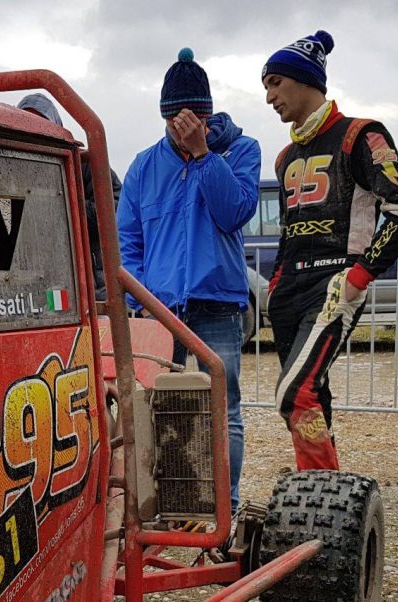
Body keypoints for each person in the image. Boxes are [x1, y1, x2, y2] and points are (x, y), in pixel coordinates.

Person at [262, 31, 398, 470]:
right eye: (266, 86)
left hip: (335, 283)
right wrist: (275, 284)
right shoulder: (283, 157)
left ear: (306, 80)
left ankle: (322, 492)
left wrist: (358, 276)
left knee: (294, 393)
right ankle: (322, 491)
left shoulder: (361, 134)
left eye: (276, 82)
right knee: (311, 396)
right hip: (289, 290)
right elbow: (288, 232)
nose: (269, 96)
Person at [117, 50, 260, 514]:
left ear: (206, 115)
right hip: (160, 309)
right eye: (172, 121)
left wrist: (203, 155)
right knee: (163, 408)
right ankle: (176, 505)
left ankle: (224, 509)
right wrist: (142, 299)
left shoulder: (241, 150)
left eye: (191, 120)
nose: (180, 129)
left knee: (224, 409)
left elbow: (234, 212)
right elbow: (128, 241)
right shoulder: (143, 166)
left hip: (217, 303)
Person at [16, 93, 121, 301]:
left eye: (40, 124)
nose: (33, 130)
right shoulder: (12, 170)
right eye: (25, 122)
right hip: (34, 286)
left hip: (90, 285)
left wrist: (65, 206)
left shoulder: (84, 163)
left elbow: (116, 209)